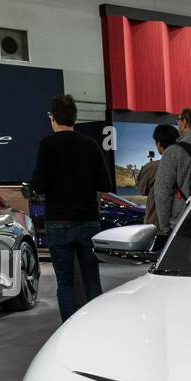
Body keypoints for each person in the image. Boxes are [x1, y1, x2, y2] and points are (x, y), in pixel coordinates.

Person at [30, 94, 112, 321]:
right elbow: (105, 184)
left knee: (65, 284)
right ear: (74, 118)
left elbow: (40, 185)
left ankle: (68, 330)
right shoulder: (90, 145)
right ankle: (97, 327)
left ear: (53, 118)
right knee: (92, 280)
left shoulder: (47, 145)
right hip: (88, 220)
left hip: (59, 222)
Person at [154, 106, 191, 239]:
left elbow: (162, 191)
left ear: (185, 122)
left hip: (182, 224)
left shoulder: (173, 151)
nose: (178, 124)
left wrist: (165, 226)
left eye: (178, 120)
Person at [136, 123, 178, 227]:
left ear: (159, 144)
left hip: (155, 226)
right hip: (179, 226)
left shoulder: (151, 168)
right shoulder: (186, 166)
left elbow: (142, 191)